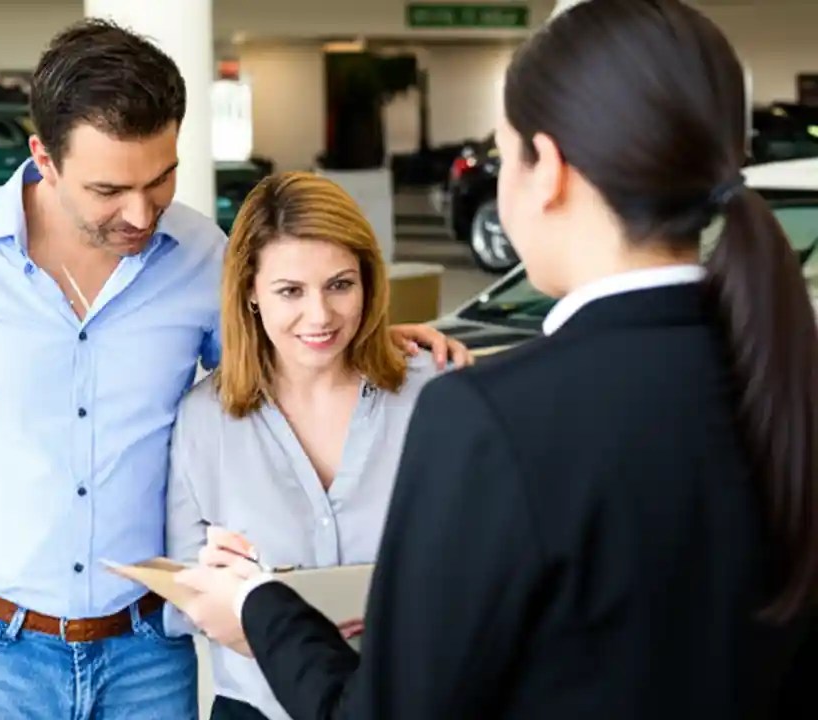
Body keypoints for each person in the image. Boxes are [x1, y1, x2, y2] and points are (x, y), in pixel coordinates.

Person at [175, 1, 818, 718]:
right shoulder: (785, 379)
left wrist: (262, 605)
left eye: (506, 152)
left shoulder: (489, 416)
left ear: (549, 170)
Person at [0, 19, 469, 719]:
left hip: (145, 657)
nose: (141, 211)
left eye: (161, 178)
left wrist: (369, 334)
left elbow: (278, 361)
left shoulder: (201, 254)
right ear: (44, 157)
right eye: (108, 189)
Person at [164, 171, 445, 720]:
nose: (319, 316)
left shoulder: (433, 395)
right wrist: (232, 600)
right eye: (290, 291)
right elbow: (183, 590)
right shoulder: (204, 419)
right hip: (257, 708)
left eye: (340, 285)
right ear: (249, 290)